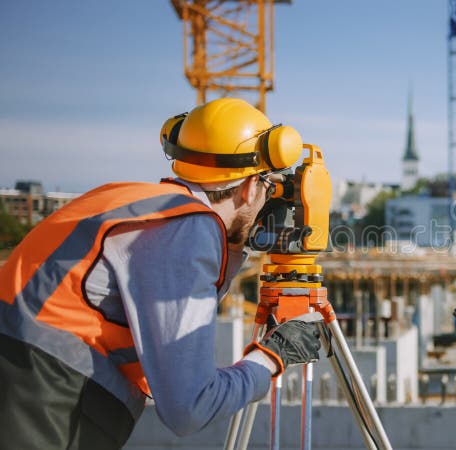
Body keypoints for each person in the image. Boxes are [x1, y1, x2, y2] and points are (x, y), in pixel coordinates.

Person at [0, 98, 322, 449]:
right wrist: (272, 357)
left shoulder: (133, 203)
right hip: (45, 406)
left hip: (24, 387)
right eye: (268, 186)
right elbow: (191, 408)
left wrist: (233, 243)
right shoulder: (187, 230)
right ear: (249, 187)